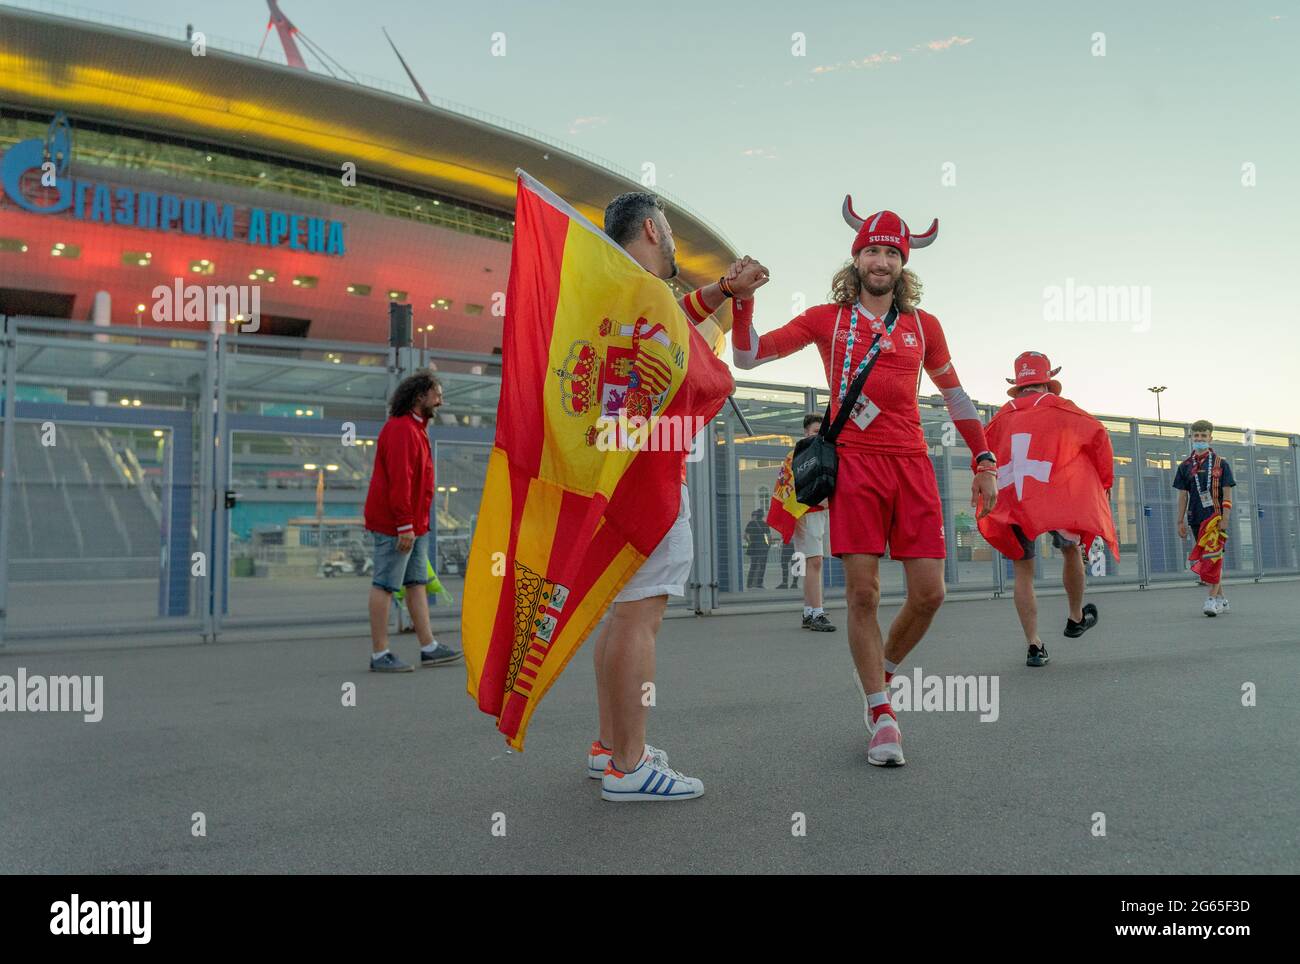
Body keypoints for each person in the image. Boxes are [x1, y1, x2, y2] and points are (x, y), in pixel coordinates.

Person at [730, 201, 997, 767]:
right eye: (872, 250)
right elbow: (748, 356)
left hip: (913, 466)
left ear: (903, 265)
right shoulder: (827, 318)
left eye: (892, 253)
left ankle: (881, 674)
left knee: (930, 594)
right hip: (853, 465)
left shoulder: (926, 327)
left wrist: (984, 459)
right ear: (857, 259)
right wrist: (743, 298)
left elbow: (955, 397)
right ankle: (881, 712)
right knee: (864, 594)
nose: (881, 260)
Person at [588, 191, 768, 801]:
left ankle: (611, 745)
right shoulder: (645, 293)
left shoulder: (615, 287)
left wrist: (724, 288)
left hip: (618, 469)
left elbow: (680, 317)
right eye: (667, 229)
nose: (672, 241)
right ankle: (630, 765)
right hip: (650, 472)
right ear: (650, 228)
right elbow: (689, 350)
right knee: (642, 614)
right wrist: (729, 302)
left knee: (623, 612)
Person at [978, 353, 1114, 667]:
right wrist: (1103, 480)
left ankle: (1034, 645)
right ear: (1047, 380)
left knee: (1023, 572)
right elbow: (1098, 435)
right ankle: (1076, 616)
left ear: (1017, 383)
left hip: (1012, 500)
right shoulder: (1062, 408)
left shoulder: (999, 418)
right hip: (1056, 497)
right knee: (1070, 550)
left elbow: (982, 455)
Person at [364, 371, 462, 672]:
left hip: (414, 525)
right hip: (398, 526)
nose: (441, 400)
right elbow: (400, 482)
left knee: (416, 583)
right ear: (420, 396)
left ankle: (428, 646)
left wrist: (414, 525)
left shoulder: (415, 429)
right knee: (384, 585)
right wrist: (405, 525)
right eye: (437, 394)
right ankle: (380, 654)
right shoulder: (403, 430)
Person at [1173, 419, 1235, 616]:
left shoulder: (1221, 464)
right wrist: (1180, 520)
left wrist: (1225, 518)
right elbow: (1182, 495)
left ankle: (1210, 599)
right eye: (1196, 436)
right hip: (1195, 518)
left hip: (1215, 518)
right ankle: (1222, 599)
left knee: (1214, 557)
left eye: (1203, 436)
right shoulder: (1185, 466)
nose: (1199, 439)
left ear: (1210, 438)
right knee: (1207, 558)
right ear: (1191, 437)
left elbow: (1227, 493)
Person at [793, 413, 834, 631]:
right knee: (814, 561)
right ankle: (816, 612)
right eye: (815, 431)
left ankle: (809, 610)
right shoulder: (802, 453)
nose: (818, 435)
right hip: (808, 511)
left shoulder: (814, 452)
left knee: (812, 562)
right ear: (806, 432)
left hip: (813, 512)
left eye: (821, 432)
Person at [744, 509, 771, 589]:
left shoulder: (751, 523)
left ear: (756, 515)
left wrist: (750, 542)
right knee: (762, 566)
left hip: (753, 547)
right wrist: (768, 545)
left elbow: (745, 536)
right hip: (763, 547)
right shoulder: (765, 524)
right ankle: (759, 583)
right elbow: (769, 537)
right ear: (762, 516)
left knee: (753, 565)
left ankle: (749, 584)